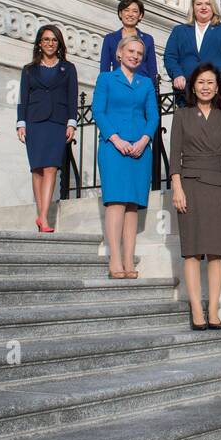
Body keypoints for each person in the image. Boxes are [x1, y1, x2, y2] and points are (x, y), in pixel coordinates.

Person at [169, 63, 221, 330]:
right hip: (189, 185)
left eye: (210, 82)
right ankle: (196, 309)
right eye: (200, 82)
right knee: (192, 252)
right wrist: (177, 187)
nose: (205, 87)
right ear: (193, 86)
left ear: (217, 87)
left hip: (218, 187)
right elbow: (174, 155)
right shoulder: (182, 115)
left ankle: (213, 310)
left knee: (216, 253)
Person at [93, 34, 159, 279]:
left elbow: (152, 116)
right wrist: (116, 138)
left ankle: (129, 260)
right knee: (116, 202)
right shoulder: (106, 79)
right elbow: (99, 111)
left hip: (140, 148)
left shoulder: (146, 83)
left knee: (133, 205)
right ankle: (115, 260)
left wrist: (144, 140)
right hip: (114, 147)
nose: (135, 56)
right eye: (131, 51)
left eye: (140, 53)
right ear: (119, 53)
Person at [15, 24, 77, 233]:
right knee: (37, 170)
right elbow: (23, 98)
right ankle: (41, 215)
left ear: (58, 44)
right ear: (39, 44)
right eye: (46, 40)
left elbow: (72, 96)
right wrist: (20, 123)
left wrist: (72, 122)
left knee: (51, 167)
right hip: (34, 122)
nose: (50, 43)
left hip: (57, 122)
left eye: (54, 40)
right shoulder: (29, 69)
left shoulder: (68, 68)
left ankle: (43, 217)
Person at [164, 0, 221, 110]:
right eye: (199, 4)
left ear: (213, 8)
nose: (203, 7)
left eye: (208, 4)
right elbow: (170, 56)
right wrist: (177, 74)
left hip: (219, 94)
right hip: (187, 93)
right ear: (193, 7)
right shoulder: (179, 31)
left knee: (217, 128)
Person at [100, 0, 158, 81]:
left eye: (135, 11)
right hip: (118, 86)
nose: (130, 14)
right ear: (120, 13)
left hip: (141, 87)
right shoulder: (110, 39)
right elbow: (104, 70)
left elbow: (152, 70)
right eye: (126, 10)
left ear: (140, 15)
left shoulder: (147, 39)